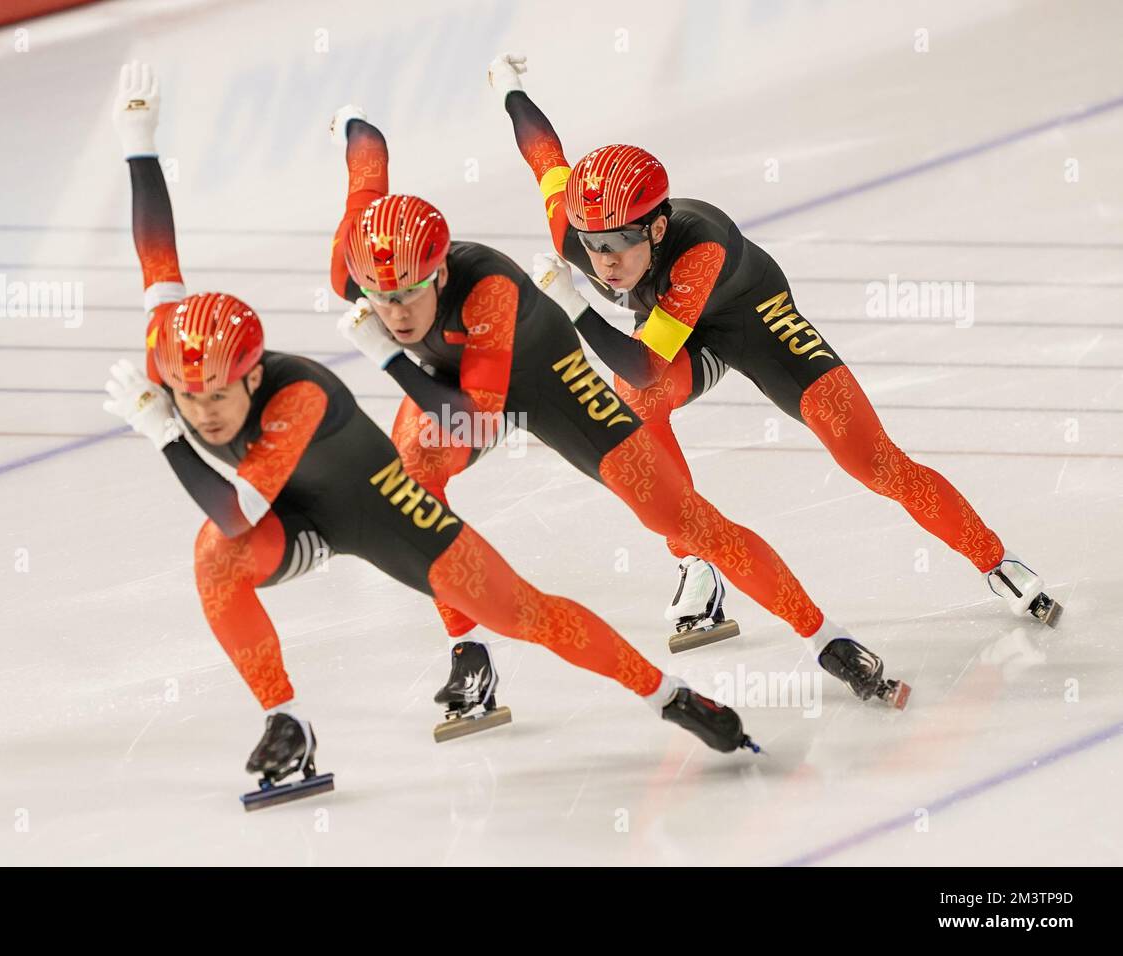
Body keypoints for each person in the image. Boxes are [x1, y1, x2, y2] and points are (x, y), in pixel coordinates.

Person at [103, 62, 757, 806]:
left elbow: (236, 510)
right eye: (189, 400)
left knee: (528, 611)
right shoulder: (240, 323)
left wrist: (165, 435)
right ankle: (293, 717)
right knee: (215, 566)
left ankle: (668, 693)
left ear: (253, 379)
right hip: (297, 504)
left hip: (380, 504)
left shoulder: (297, 400)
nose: (206, 412)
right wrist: (137, 137)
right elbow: (159, 259)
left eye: (219, 394)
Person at [326, 104, 910, 725]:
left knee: (683, 519)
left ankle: (825, 637)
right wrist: (357, 127)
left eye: (412, 291)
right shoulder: (360, 273)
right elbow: (369, 182)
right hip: (451, 381)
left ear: (441, 272)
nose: (397, 311)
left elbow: (477, 415)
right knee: (412, 483)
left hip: (546, 382)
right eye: (382, 298)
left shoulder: (490, 288)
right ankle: (469, 650)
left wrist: (389, 358)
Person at [487, 52, 1062, 635]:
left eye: (619, 242)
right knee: (637, 404)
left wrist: (576, 306)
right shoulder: (575, 231)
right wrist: (510, 88)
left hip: (752, 319)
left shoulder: (699, 247)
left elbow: (641, 362)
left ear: (657, 228)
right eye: (591, 243)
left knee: (870, 459)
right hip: (683, 333)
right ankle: (696, 561)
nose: (603, 260)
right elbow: (544, 157)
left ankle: (997, 561)